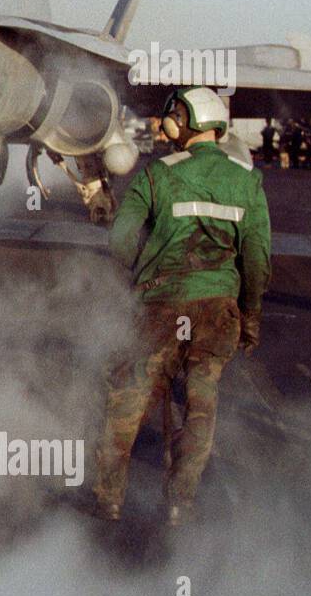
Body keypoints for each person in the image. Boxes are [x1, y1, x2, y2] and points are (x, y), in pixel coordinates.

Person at [94, 87, 271, 526]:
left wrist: (145, 275)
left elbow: (119, 241)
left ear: (191, 121)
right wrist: (249, 317)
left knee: (127, 401)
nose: (166, 121)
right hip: (217, 313)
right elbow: (257, 259)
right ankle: (180, 501)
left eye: (174, 113)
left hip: (159, 307)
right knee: (200, 405)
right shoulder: (246, 180)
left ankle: (110, 499)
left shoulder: (156, 175)